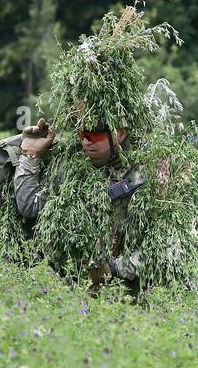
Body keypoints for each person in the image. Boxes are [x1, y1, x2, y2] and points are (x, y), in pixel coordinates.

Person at [13, 117, 145, 290]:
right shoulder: (69, 167)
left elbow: (165, 246)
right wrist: (30, 155)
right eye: (83, 134)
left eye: (96, 136)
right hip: (68, 290)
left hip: (124, 294)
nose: (86, 142)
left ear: (120, 134)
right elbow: (30, 207)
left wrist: (115, 269)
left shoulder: (146, 172)